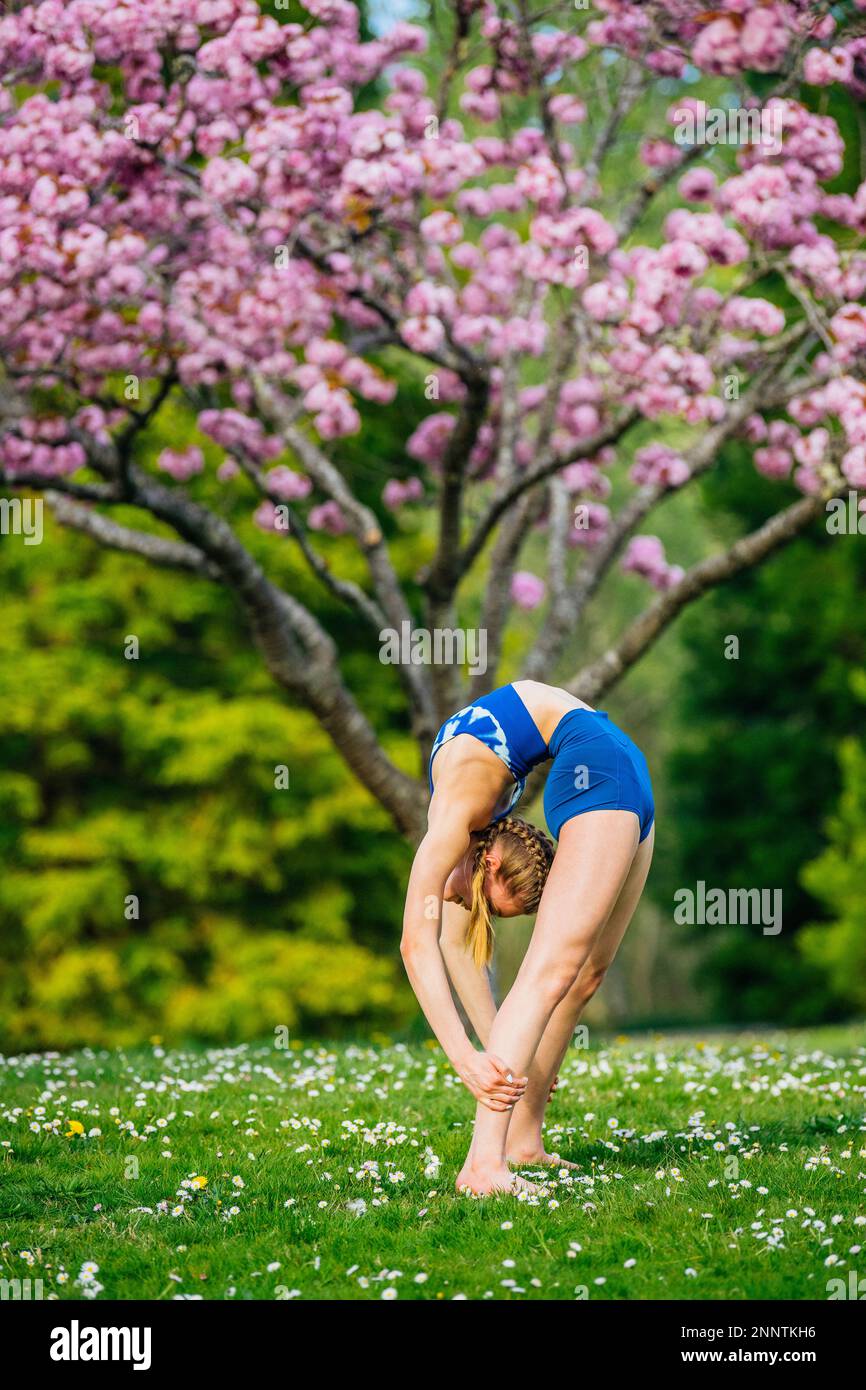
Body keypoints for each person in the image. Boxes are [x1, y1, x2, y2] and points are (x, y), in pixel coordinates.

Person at [399, 679, 655, 1195]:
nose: (471, 908)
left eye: (487, 905)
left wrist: (491, 1064)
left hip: (604, 761)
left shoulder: (461, 819)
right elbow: (428, 944)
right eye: (491, 905)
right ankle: (492, 1161)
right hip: (617, 761)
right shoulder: (458, 821)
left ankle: (506, 1154)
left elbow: (428, 943)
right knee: (560, 971)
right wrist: (475, 1059)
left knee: (573, 973)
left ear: (487, 861)